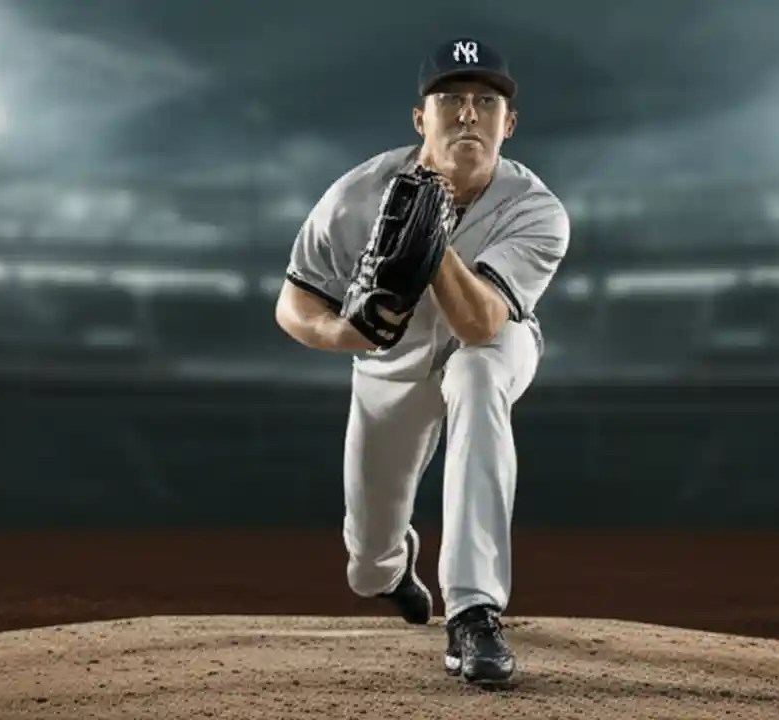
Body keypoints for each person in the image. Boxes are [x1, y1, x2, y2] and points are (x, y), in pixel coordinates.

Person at [274, 36, 570, 685]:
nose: (468, 114)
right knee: (365, 560)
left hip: (494, 341)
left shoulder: (536, 210)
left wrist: (430, 241)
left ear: (508, 124)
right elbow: (293, 303)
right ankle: (391, 569)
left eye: (485, 102)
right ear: (420, 118)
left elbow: (480, 322)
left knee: (478, 370)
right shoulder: (357, 194)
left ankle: (473, 609)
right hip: (390, 357)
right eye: (450, 99)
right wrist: (343, 334)